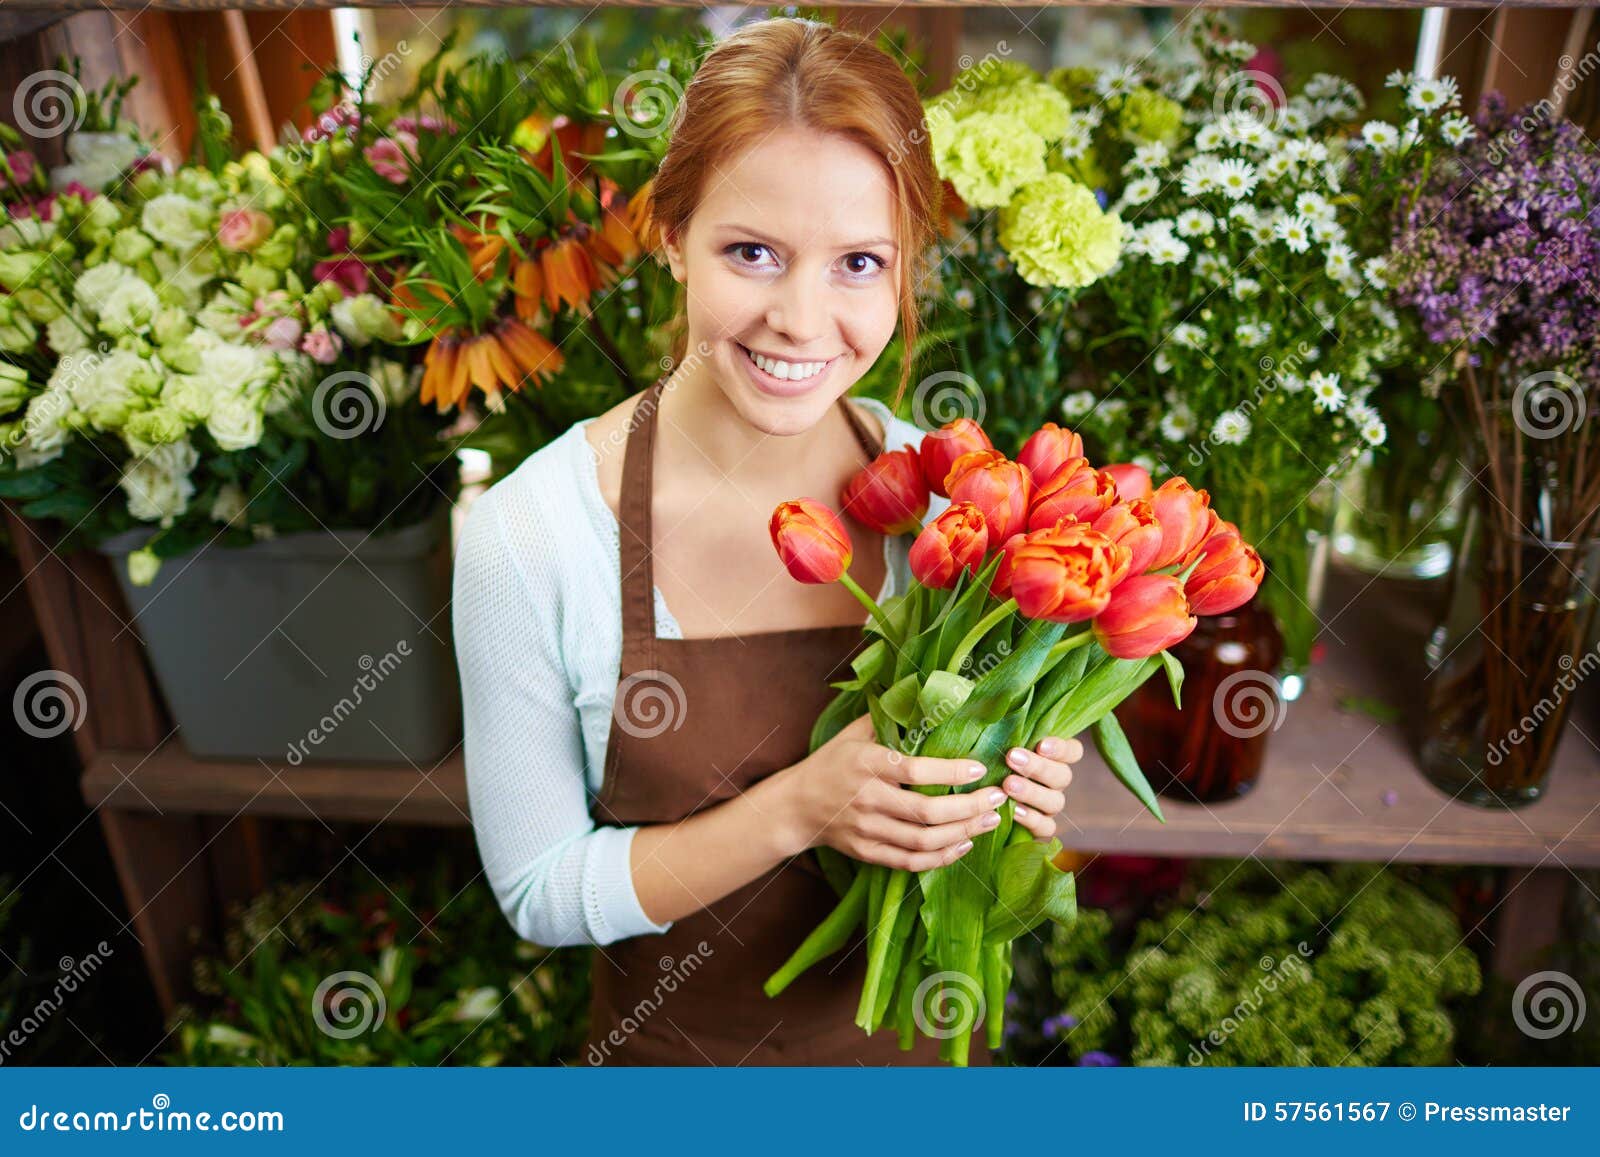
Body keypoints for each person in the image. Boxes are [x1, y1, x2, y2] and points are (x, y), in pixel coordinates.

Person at [453, 16, 1083, 1066]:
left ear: (906, 267)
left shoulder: (958, 497)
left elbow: (980, 827)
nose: (800, 317)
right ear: (668, 234)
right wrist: (799, 808)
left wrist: (1016, 780)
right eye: (753, 252)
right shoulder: (534, 532)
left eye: (857, 262)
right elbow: (540, 891)